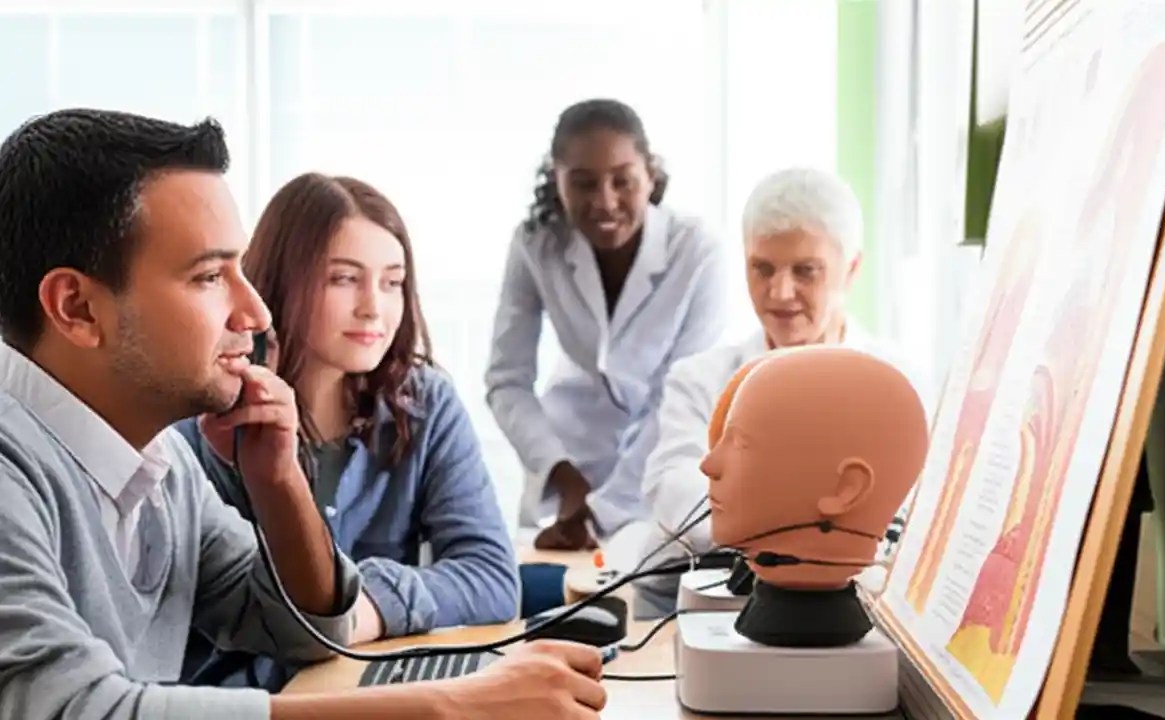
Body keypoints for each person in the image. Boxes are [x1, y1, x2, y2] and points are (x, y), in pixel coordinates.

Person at [0, 108, 605, 719]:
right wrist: (451, 707)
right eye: (210, 276)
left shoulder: (160, 464)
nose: (256, 312)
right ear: (76, 307)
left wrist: (280, 481)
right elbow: (71, 711)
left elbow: (298, 626)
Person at [176, 172, 520, 689]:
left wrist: (361, 611)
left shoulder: (424, 402)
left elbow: (492, 578)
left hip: (370, 688)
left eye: (392, 282)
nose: (373, 308)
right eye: (343, 278)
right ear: (281, 279)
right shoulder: (205, 417)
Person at [625, 168, 921, 605]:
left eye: (806, 271)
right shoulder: (699, 379)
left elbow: (910, 512)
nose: (780, 293)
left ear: (852, 268)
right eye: (762, 268)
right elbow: (676, 496)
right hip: (698, 604)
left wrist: (754, 505)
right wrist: (819, 525)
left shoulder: (901, 385)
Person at [486, 98, 729, 550]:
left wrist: (602, 510)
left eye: (623, 180)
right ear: (555, 178)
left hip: (658, 467)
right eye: (583, 183)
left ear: (650, 173)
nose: (605, 202)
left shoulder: (696, 251)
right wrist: (559, 473)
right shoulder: (536, 243)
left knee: (643, 593)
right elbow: (506, 380)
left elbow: (677, 394)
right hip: (564, 468)